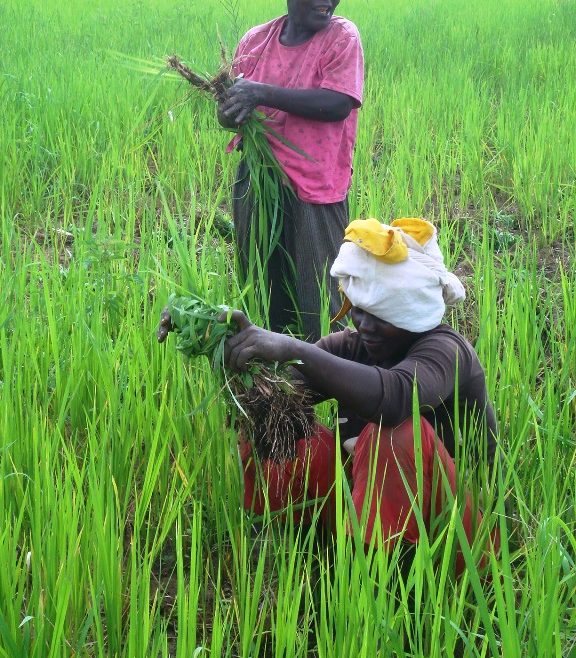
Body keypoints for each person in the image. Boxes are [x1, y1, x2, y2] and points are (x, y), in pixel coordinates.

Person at [158, 217, 502, 577]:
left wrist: (291, 346)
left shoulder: (445, 349)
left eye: (380, 314)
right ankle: (308, 554)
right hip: (370, 517)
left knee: (395, 432)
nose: (363, 324)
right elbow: (268, 398)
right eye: (357, 309)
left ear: (411, 312)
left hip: (456, 534)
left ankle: (378, 591)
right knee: (270, 419)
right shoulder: (351, 348)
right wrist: (216, 337)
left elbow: (397, 398)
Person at [217, 0, 364, 342]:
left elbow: (338, 102)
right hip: (259, 181)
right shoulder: (256, 40)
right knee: (263, 285)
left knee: (323, 297)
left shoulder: (341, 37)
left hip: (316, 187)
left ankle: (334, 388)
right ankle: (275, 383)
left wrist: (261, 92)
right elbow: (236, 112)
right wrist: (231, 112)